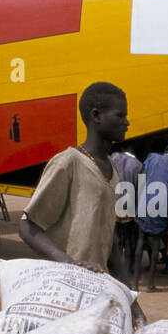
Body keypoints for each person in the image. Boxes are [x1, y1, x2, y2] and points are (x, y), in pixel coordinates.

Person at [20, 82, 131, 281]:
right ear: (96, 116)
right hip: (65, 284)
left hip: (96, 285)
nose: (127, 123)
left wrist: (131, 299)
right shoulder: (68, 162)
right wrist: (68, 263)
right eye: (120, 116)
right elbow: (28, 227)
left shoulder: (112, 168)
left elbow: (110, 242)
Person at [135, 141, 168, 292]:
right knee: (155, 245)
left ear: (165, 149)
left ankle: (135, 284)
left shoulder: (152, 157)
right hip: (160, 205)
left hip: (144, 201)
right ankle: (150, 284)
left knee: (140, 241)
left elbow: (142, 178)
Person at [110, 142, 143, 282]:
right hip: (129, 208)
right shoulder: (138, 165)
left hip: (112, 205)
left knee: (115, 240)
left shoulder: (110, 159)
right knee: (129, 241)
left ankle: (114, 272)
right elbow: (140, 191)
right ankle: (127, 271)